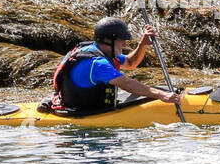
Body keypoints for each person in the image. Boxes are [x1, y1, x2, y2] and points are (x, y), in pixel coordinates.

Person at [48, 17, 183, 115]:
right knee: (158, 91)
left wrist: (142, 44)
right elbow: (125, 83)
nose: (124, 45)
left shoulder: (101, 51)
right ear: (108, 40)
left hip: (91, 104)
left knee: (156, 90)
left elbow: (131, 63)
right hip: (84, 112)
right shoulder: (97, 63)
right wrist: (161, 95)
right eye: (121, 40)